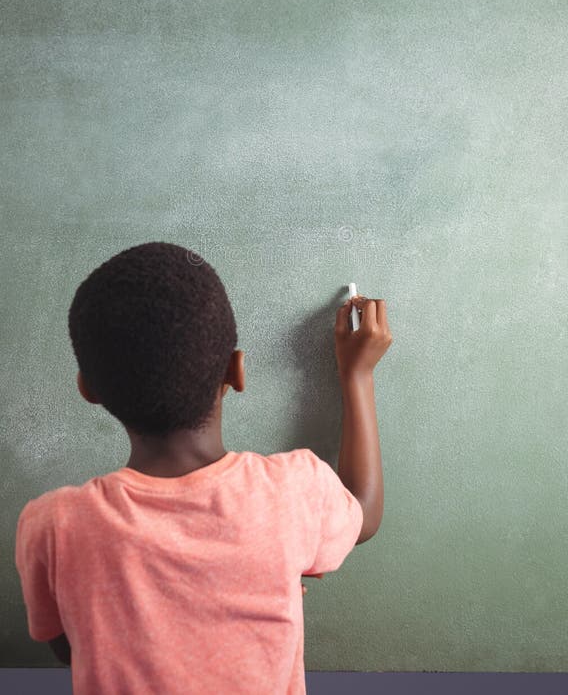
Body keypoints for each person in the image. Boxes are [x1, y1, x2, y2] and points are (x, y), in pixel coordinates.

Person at [15, 242, 392, 694]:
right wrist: (357, 375)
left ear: (87, 389)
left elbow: (72, 647)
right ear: (236, 371)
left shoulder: (52, 527)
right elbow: (363, 513)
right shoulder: (291, 496)